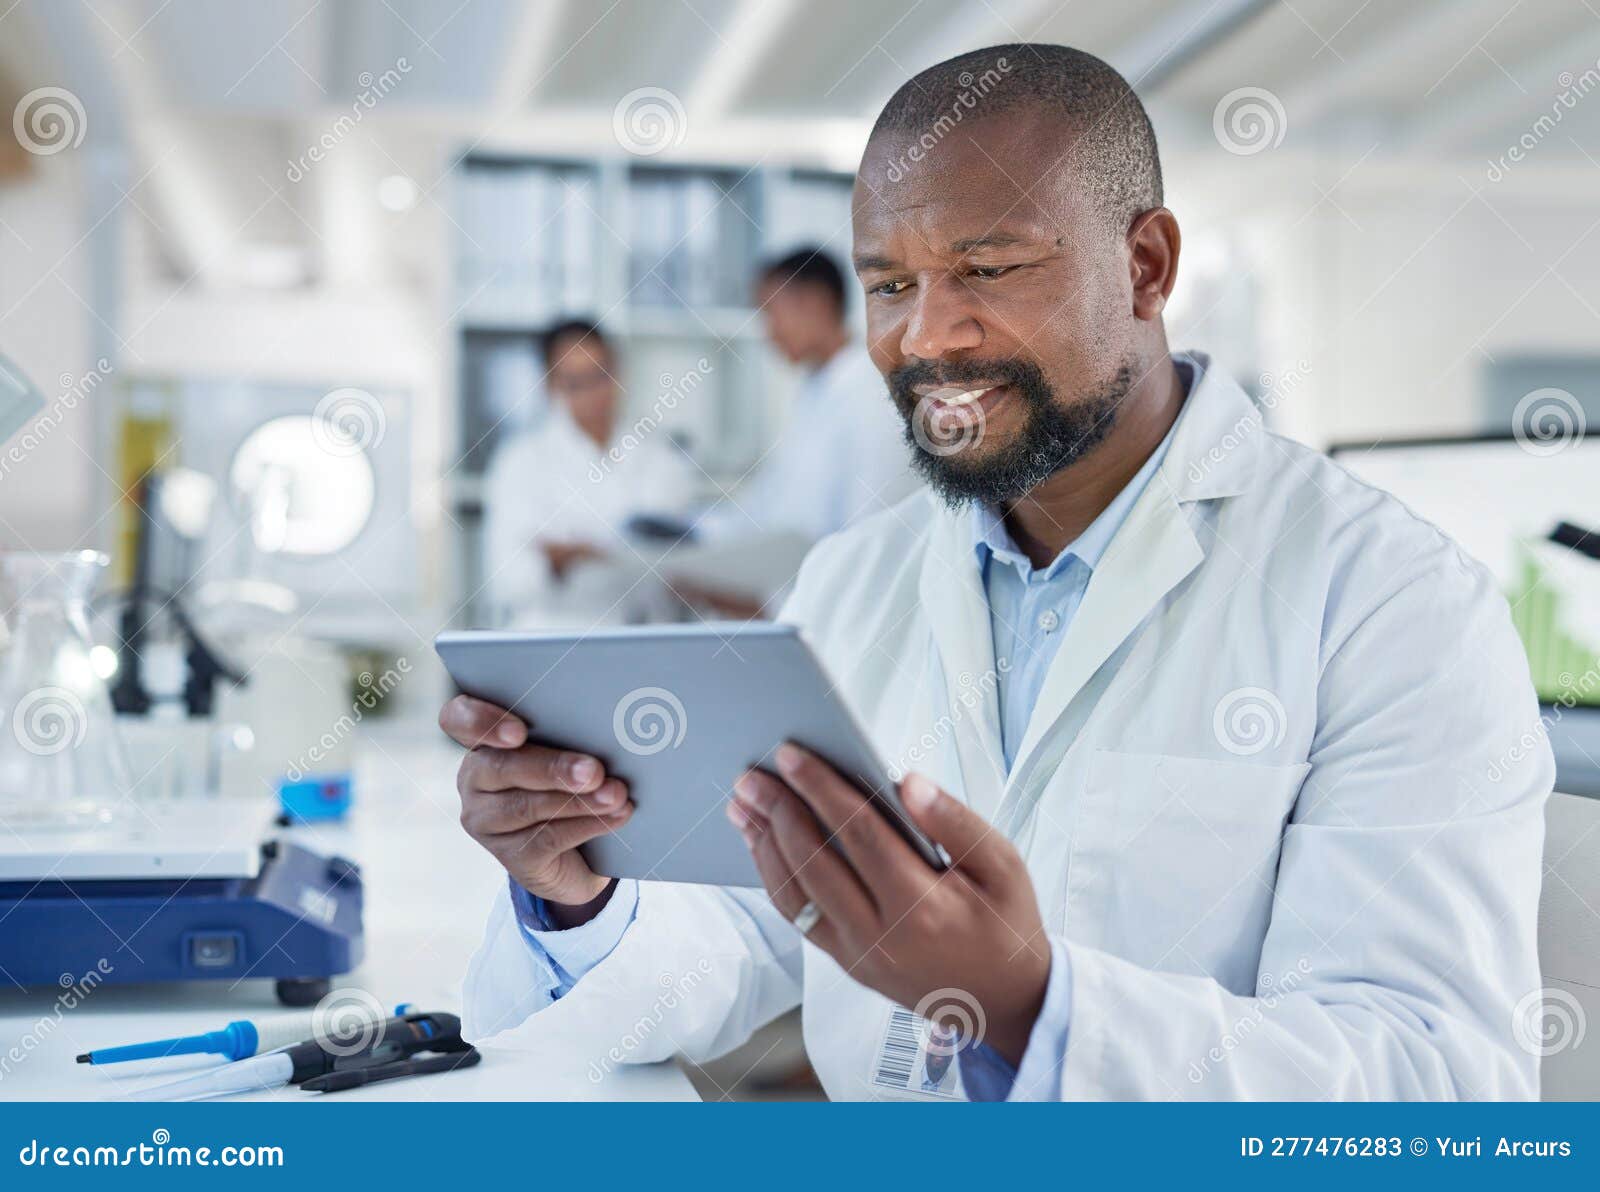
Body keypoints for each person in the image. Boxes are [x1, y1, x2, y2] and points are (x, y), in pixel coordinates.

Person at [442, 45, 1552, 1100]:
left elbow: (1437, 1087)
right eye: (887, 286)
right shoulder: (853, 584)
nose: (929, 336)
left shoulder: (1391, 602)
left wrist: (1032, 1007)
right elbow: (745, 937)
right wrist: (570, 886)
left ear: (1147, 265)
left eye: (987, 268)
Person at [676, 249, 917, 618]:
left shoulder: (873, 397)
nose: (768, 333)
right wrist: (688, 539)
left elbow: (870, 542)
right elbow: (766, 509)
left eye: (770, 314)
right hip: (787, 602)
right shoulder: (813, 390)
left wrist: (766, 607)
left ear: (815, 303)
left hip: (828, 620)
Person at [481, 319, 697, 626]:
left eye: (601, 375)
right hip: (554, 638)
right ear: (552, 385)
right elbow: (507, 581)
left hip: (642, 637)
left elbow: (681, 567)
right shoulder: (521, 462)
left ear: (618, 372)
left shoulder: (660, 457)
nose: (595, 393)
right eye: (576, 382)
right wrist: (557, 565)